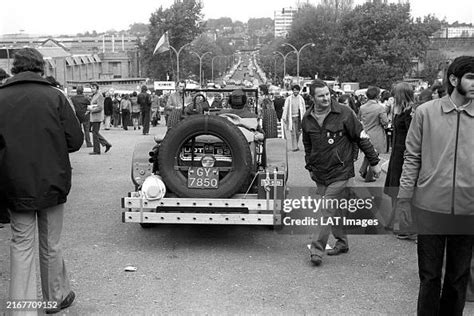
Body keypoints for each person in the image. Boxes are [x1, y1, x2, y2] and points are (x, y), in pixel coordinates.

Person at [0, 47, 83, 313]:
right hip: (52, 181)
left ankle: (22, 309)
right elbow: (75, 140)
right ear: (41, 68)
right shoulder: (56, 97)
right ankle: (55, 298)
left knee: (21, 244)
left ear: (14, 68)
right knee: (51, 244)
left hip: (14, 183)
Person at [396, 56, 474, 315]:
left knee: (458, 278)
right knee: (429, 277)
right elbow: (412, 157)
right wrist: (404, 198)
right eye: (471, 78)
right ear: (454, 80)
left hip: (467, 210)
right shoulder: (425, 112)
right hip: (429, 207)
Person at [302, 79, 381, 266]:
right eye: (321, 96)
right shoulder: (307, 119)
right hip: (320, 173)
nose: (326, 98)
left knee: (326, 209)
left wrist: (374, 162)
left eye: (327, 94)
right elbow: (307, 145)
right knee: (334, 209)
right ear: (312, 97)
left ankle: (316, 250)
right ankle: (342, 242)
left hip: (341, 172)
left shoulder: (345, 113)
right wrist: (309, 164)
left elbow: (362, 137)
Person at [383, 82, 416, 239]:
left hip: (403, 154)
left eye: (395, 94)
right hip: (396, 153)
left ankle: (403, 224)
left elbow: (412, 137)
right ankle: (393, 220)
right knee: (394, 187)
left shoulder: (410, 113)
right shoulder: (401, 111)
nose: (393, 96)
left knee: (400, 188)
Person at [358, 86, 389, 182]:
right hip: (377, 133)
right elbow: (385, 122)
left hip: (365, 132)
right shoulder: (380, 108)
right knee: (374, 155)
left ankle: (363, 170)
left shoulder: (362, 107)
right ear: (377, 96)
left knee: (369, 153)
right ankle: (368, 175)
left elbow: (359, 118)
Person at [88, 82, 112, 154]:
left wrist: (92, 110)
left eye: (94, 88)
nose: (92, 89)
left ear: (97, 89)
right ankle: (106, 144)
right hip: (93, 117)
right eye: (91, 88)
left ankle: (97, 150)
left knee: (94, 133)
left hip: (97, 117)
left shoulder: (99, 96)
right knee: (95, 132)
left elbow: (100, 107)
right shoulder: (94, 95)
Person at [282, 84, 306, 151]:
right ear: (292, 91)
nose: (296, 92)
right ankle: (294, 147)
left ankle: (296, 144)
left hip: (298, 118)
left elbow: (303, 109)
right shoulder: (289, 99)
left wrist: (304, 118)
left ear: (299, 91)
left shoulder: (301, 99)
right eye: (294, 90)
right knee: (293, 132)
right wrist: (284, 117)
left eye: (297, 90)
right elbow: (286, 108)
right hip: (291, 117)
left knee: (298, 132)